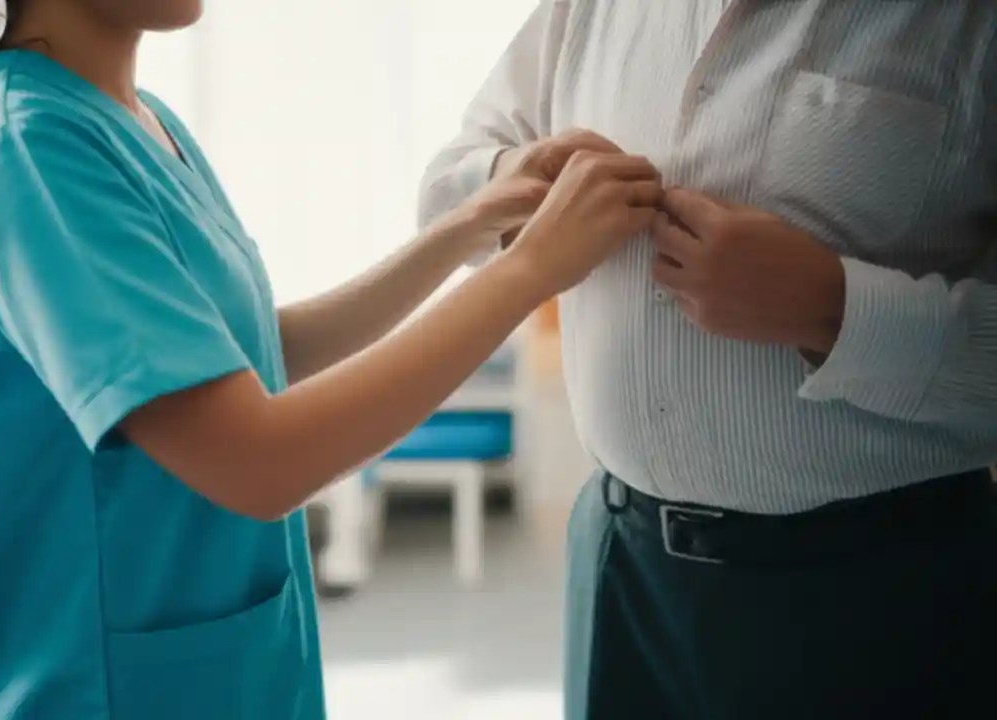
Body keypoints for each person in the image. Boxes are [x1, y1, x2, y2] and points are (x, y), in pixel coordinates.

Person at [0, 0, 662, 717]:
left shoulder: (139, 121)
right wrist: (530, 274)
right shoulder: (28, 145)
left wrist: (471, 227)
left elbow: (251, 355)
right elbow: (258, 462)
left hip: (219, 670)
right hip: (105, 689)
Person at [420, 2, 997, 719]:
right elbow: (450, 185)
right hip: (617, 575)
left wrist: (833, 308)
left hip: (883, 600)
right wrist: (519, 181)